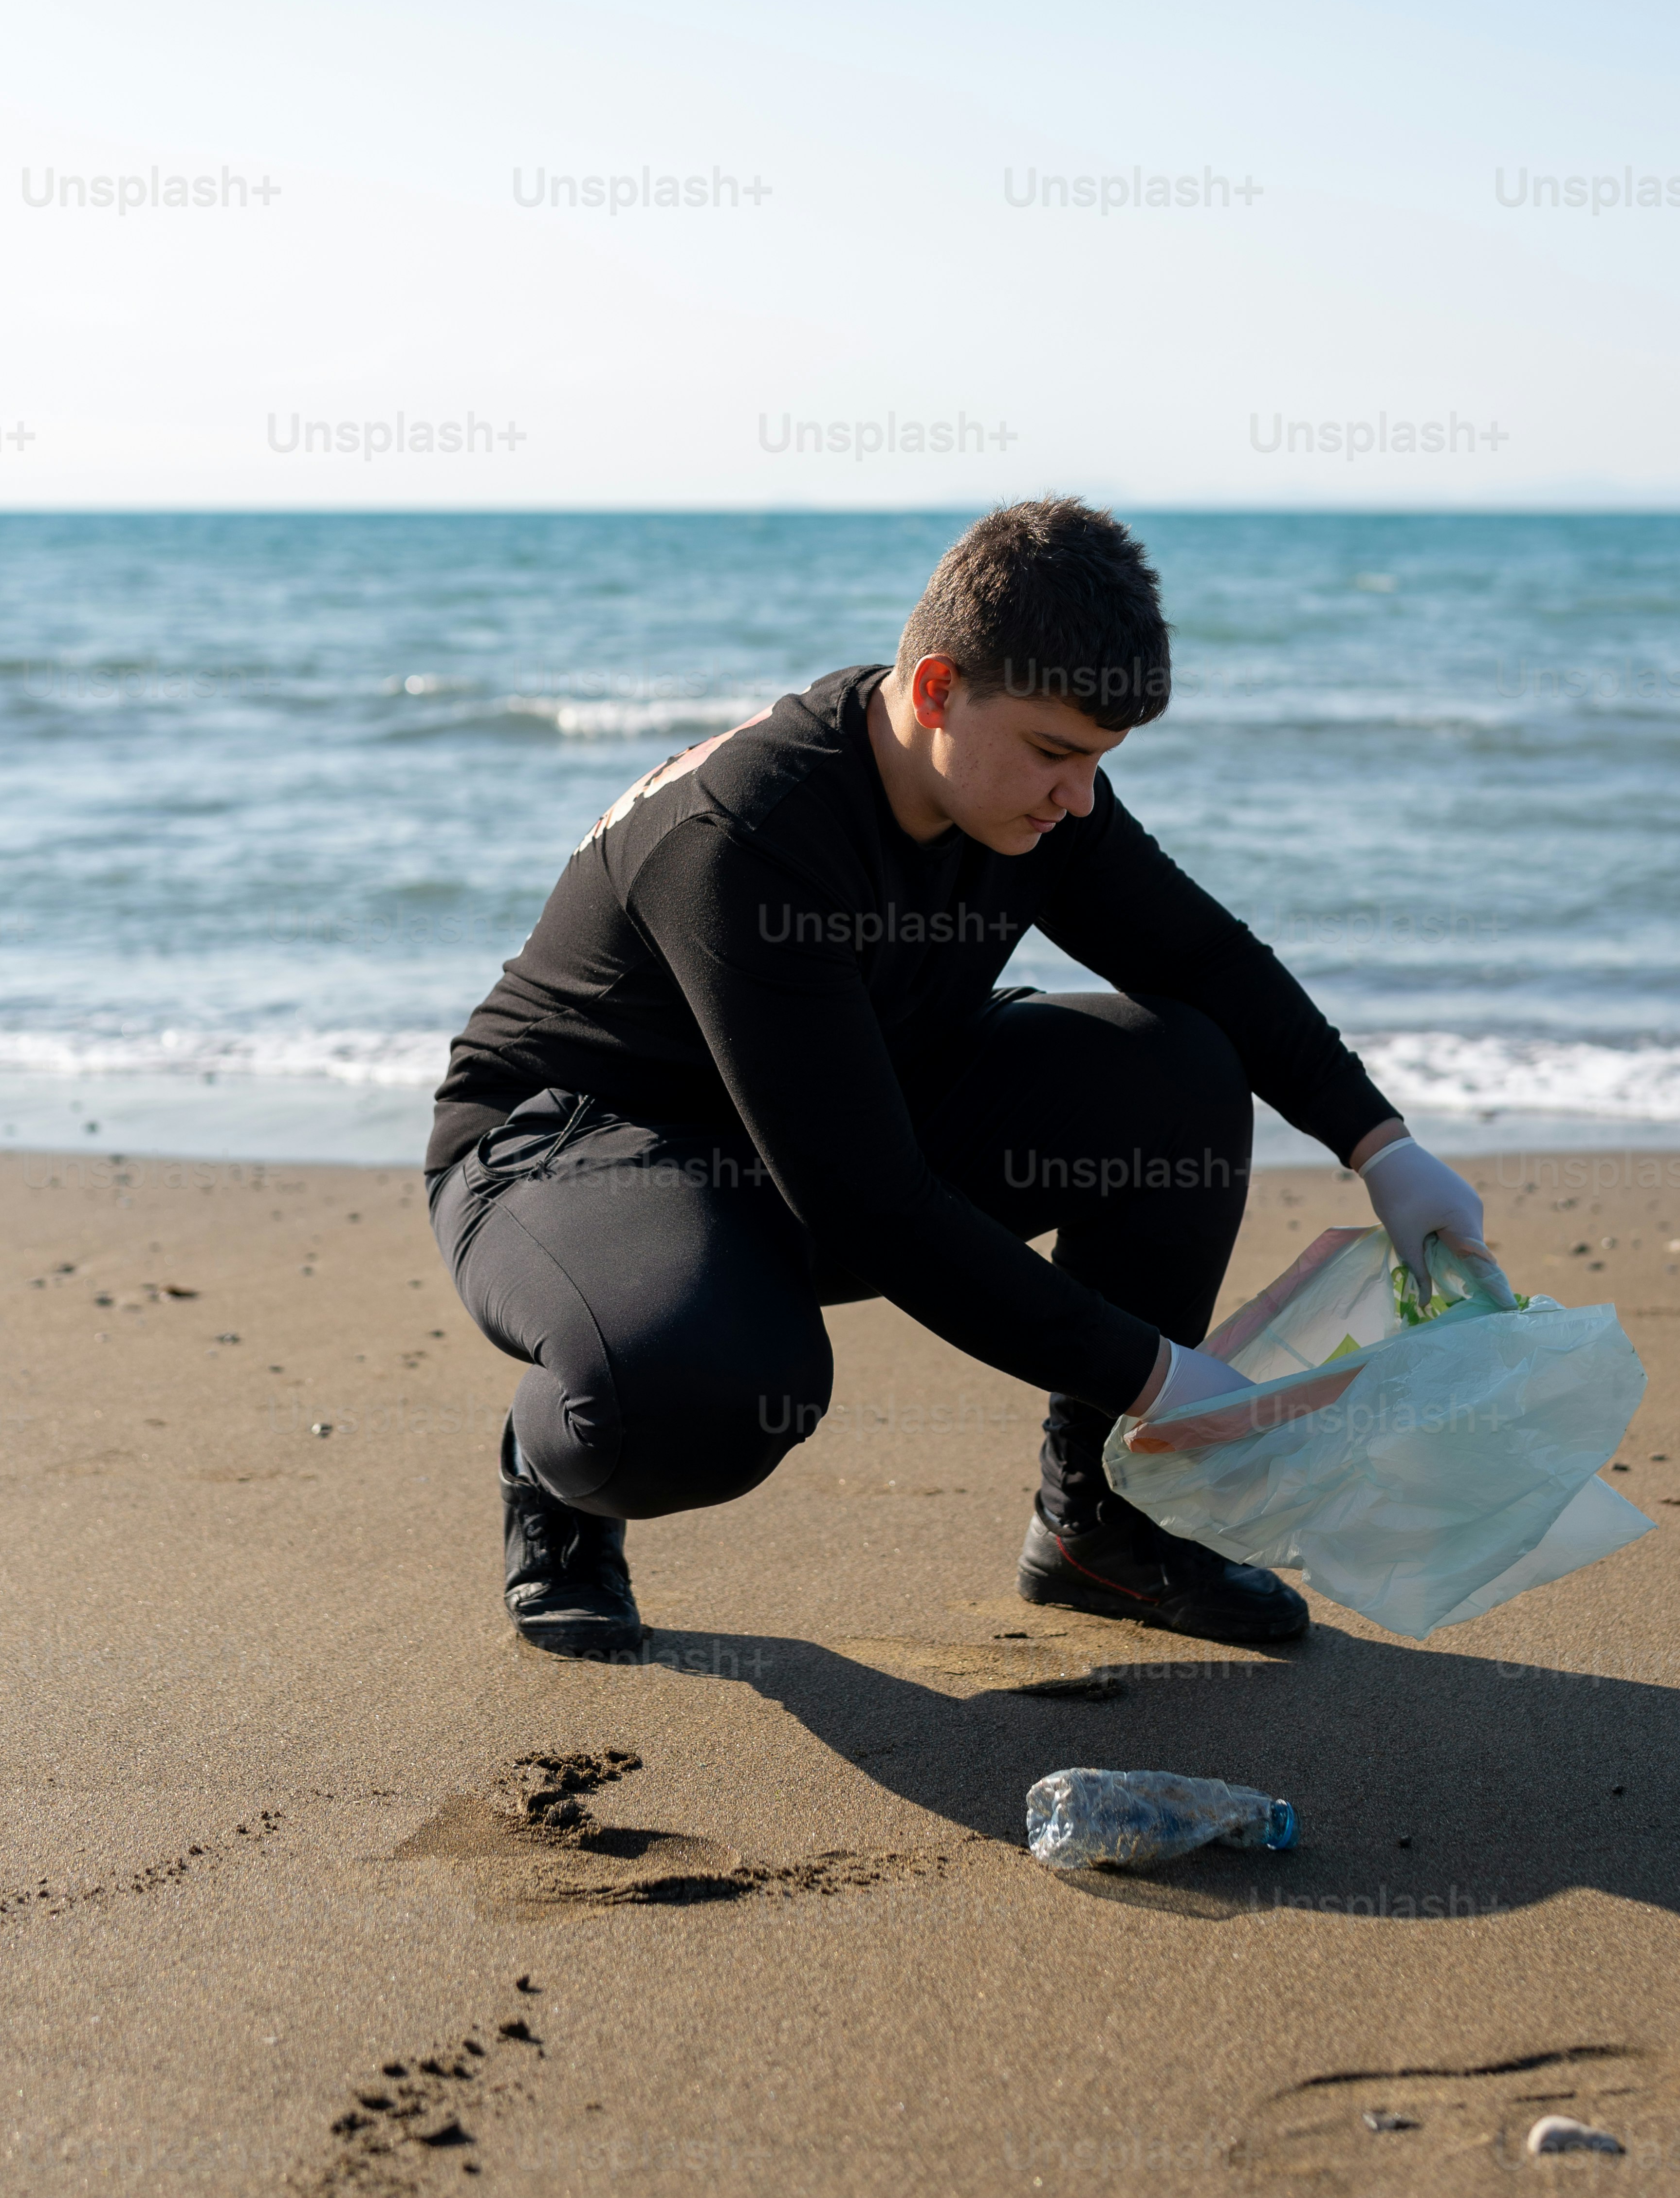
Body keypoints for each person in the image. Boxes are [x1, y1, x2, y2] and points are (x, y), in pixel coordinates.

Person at [425, 498, 1498, 1659]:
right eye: (1055, 754)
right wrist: (1157, 1376)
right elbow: (868, 1203)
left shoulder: (1024, 797)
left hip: (836, 1111)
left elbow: (1203, 957)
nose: (1077, 797)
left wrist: (1381, 1148)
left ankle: (1098, 1527)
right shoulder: (749, 833)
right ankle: (557, 1462)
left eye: (1099, 761)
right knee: (712, 1391)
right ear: (936, 691)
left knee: (1176, 1067)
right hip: (579, 1150)